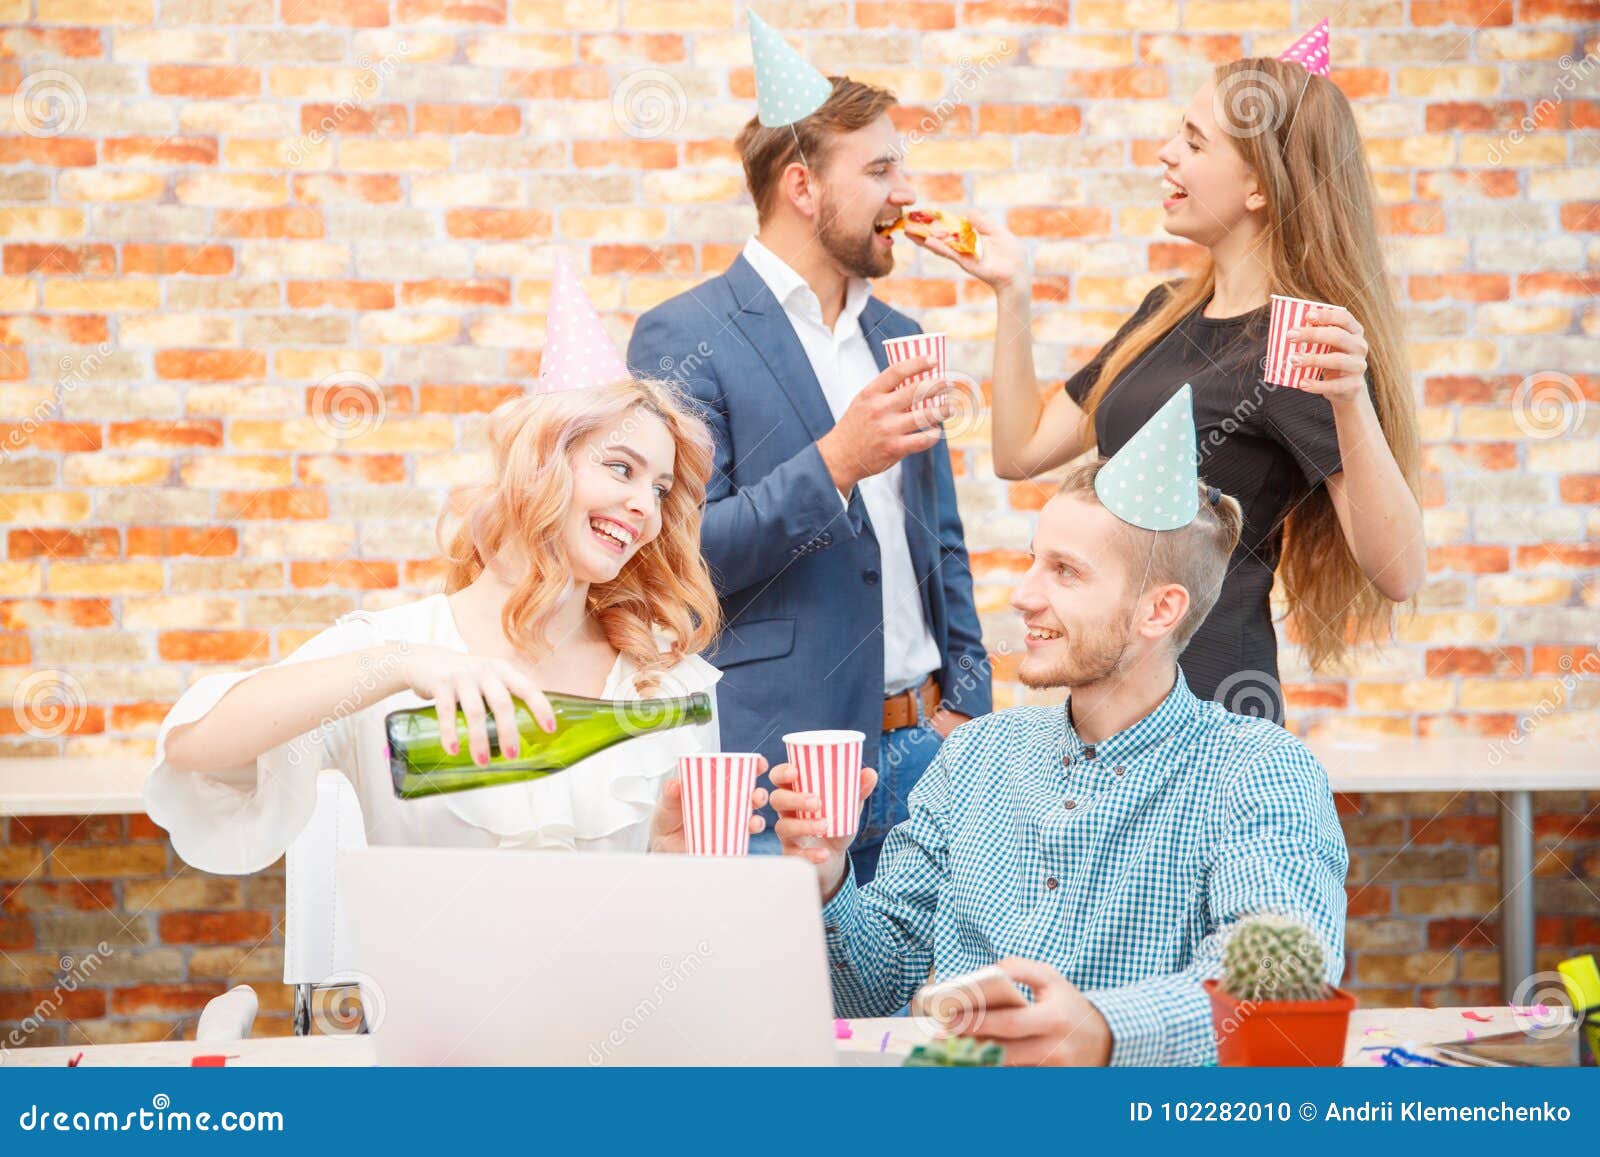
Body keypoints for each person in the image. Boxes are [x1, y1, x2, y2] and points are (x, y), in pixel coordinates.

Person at [769, 394, 1349, 1066]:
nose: (1024, 594)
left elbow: (1278, 989)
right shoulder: (977, 755)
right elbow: (869, 988)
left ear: (1158, 610)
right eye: (1034, 560)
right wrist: (827, 875)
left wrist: (1103, 1029)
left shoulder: (1259, 770)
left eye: (1066, 572)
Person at [147, 264, 762, 873]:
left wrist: (670, 858)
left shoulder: (666, 685)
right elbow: (194, 748)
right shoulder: (399, 652)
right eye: (621, 469)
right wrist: (398, 666)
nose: (644, 509)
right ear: (538, 467)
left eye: (660, 489)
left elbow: (672, 923)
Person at [913, 47, 1424, 724]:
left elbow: (1399, 572)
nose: (1165, 154)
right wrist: (1013, 292)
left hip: (1212, 699)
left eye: (1193, 141)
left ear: (1260, 187)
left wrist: (1351, 399)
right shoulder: (1163, 314)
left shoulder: (1294, 343)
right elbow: (1021, 452)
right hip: (1108, 694)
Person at [627, 16, 989, 883]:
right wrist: (835, 462)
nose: (905, 190)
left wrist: (968, 705)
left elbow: (939, 540)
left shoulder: (899, 335)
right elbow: (679, 554)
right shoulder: (686, 334)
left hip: (929, 758)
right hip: (776, 779)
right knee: (780, 1013)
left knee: (917, 1018)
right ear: (801, 185)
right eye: (879, 169)